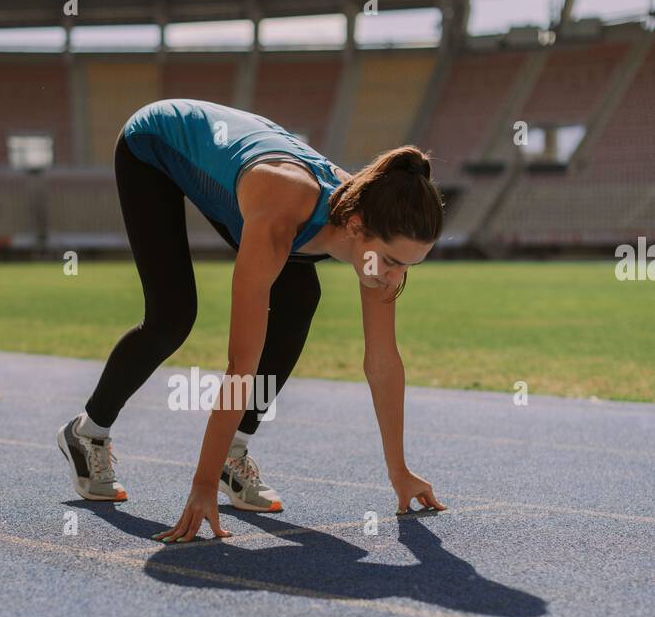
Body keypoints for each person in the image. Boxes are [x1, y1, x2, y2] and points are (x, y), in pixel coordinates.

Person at [57, 98, 447, 542]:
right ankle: (88, 433)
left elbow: (382, 360)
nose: (395, 277)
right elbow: (241, 365)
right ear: (356, 226)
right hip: (155, 144)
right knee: (172, 316)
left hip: (247, 178)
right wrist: (200, 487)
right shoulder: (282, 211)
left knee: (300, 296)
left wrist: (399, 471)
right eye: (393, 261)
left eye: (408, 267)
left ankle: (233, 453)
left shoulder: (374, 222)